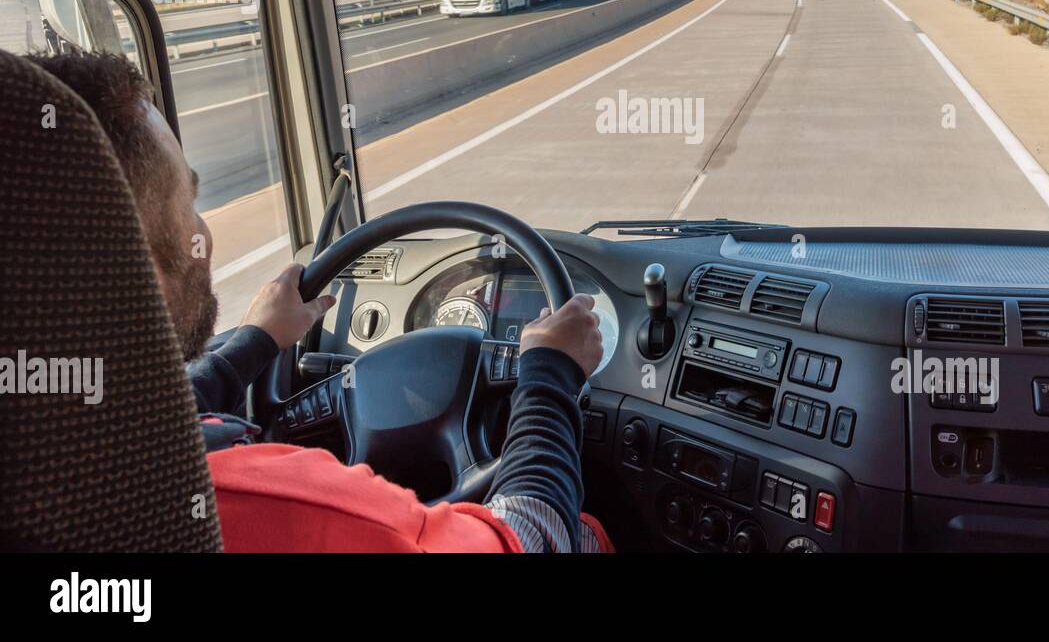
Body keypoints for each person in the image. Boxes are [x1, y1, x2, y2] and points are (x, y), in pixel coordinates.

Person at [26, 51, 611, 553]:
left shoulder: (54, 444)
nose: (204, 234)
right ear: (126, 270)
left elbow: (156, 414)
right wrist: (548, 378)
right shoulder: (259, 502)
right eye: (187, 207)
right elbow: (526, 539)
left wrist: (251, 345)